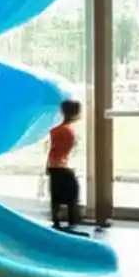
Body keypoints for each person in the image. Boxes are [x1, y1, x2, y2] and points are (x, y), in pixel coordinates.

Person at [46, 99, 84, 234]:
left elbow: (53, 150)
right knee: (72, 196)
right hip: (63, 167)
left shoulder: (55, 130)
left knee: (56, 196)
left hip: (54, 166)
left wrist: (48, 166)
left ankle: (56, 222)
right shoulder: (68, 131)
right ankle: (72, 223)